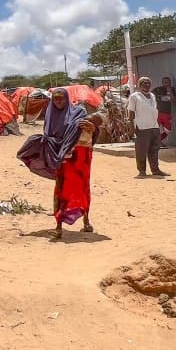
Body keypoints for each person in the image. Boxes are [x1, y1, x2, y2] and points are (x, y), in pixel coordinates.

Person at [43, 88, 99, 239]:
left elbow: (91, 131)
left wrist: (92, 128)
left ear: (67, 98)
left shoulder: (78, 112)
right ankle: (59, 226)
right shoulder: (50, 116)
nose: (59, 101)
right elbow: (48, 137)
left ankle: (86, 221)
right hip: (62, 159)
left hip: (80, 158)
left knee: (83, 187)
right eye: (56, 99)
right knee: (61, 190)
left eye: (61, 98)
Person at [128, 77, 168, 177]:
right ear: (139, 85)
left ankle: (155, 170)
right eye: (144, 83)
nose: (147, 85)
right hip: (142, 127)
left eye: (148, 83)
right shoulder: (135, 97)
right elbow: (131, 112)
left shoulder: (152, 96)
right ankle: (142, 171)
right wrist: (131, 127)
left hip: (154, 126)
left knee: (154, 149)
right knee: (141, 150)